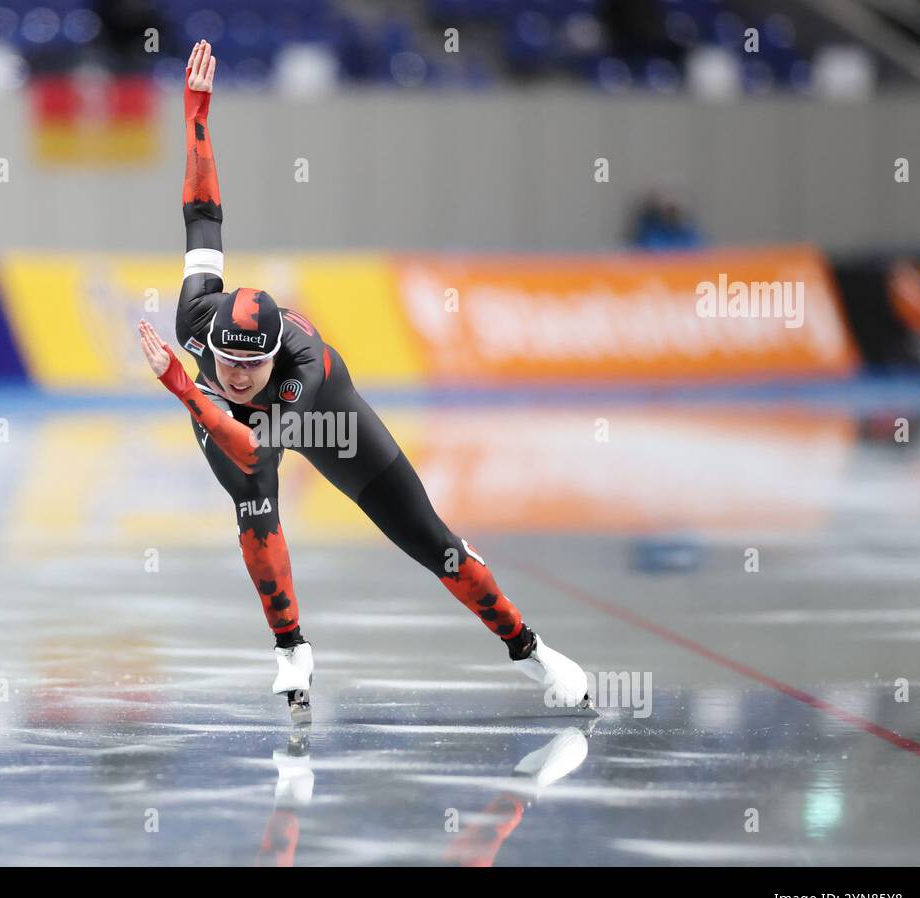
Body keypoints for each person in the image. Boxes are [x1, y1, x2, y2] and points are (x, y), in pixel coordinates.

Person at [137, 40, 590, 721]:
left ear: (272, 357)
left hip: (322, 419)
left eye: (246, 366)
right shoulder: (198, 316)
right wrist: (195, 116)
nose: (232, 375)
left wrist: (182, 384)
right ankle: (291, 650)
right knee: (256, 515)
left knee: (433, 542)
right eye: (223, 362)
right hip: (227, 425)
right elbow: (203, 215)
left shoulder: (304, 369)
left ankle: (532, 651)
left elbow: (254, 444)